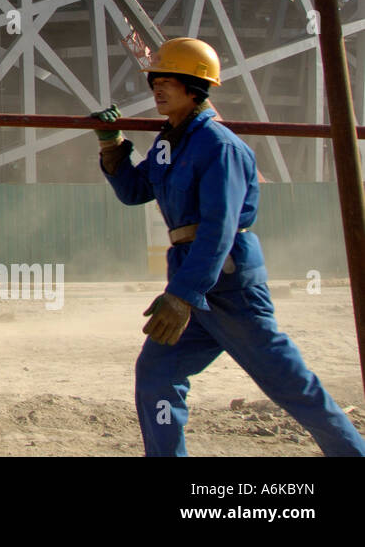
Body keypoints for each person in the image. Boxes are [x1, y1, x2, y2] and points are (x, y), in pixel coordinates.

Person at [91, 37, 365, 457]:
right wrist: (112, 145)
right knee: (157, 374)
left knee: (292, 388)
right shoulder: (168, 143)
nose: (157, 89)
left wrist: (182, 296)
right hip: (192, 282)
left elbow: (219, 230)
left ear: (194, 87)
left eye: (168, 81)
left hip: (229, 285)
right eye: (154, 81)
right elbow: (134, 191)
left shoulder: (220, 146)